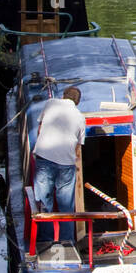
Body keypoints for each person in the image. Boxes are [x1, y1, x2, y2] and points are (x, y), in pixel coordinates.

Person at [32, 86, 86, 245]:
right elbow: (78, 146)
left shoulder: (50, 103)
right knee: (66, 206)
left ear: (63, 96)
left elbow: (40, 129)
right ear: (77, 102)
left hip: (44, 158)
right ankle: (67, 241)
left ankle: (45, 241)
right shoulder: (80, 117)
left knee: (44, 202)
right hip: (66, 164)